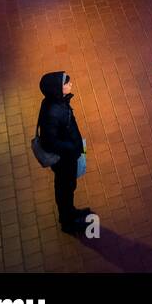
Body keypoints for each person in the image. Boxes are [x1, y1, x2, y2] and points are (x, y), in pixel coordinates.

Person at [36, 71, 93, 234]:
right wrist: (70, 148)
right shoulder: (53, 111)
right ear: (57, 89)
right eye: (66, 83)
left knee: (68, 187)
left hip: (68, 155)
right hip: (64, 160)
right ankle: (67, 222)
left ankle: (70, 212)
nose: (70, 84)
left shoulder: (56, 102)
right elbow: (49, 142)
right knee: (65, 188)